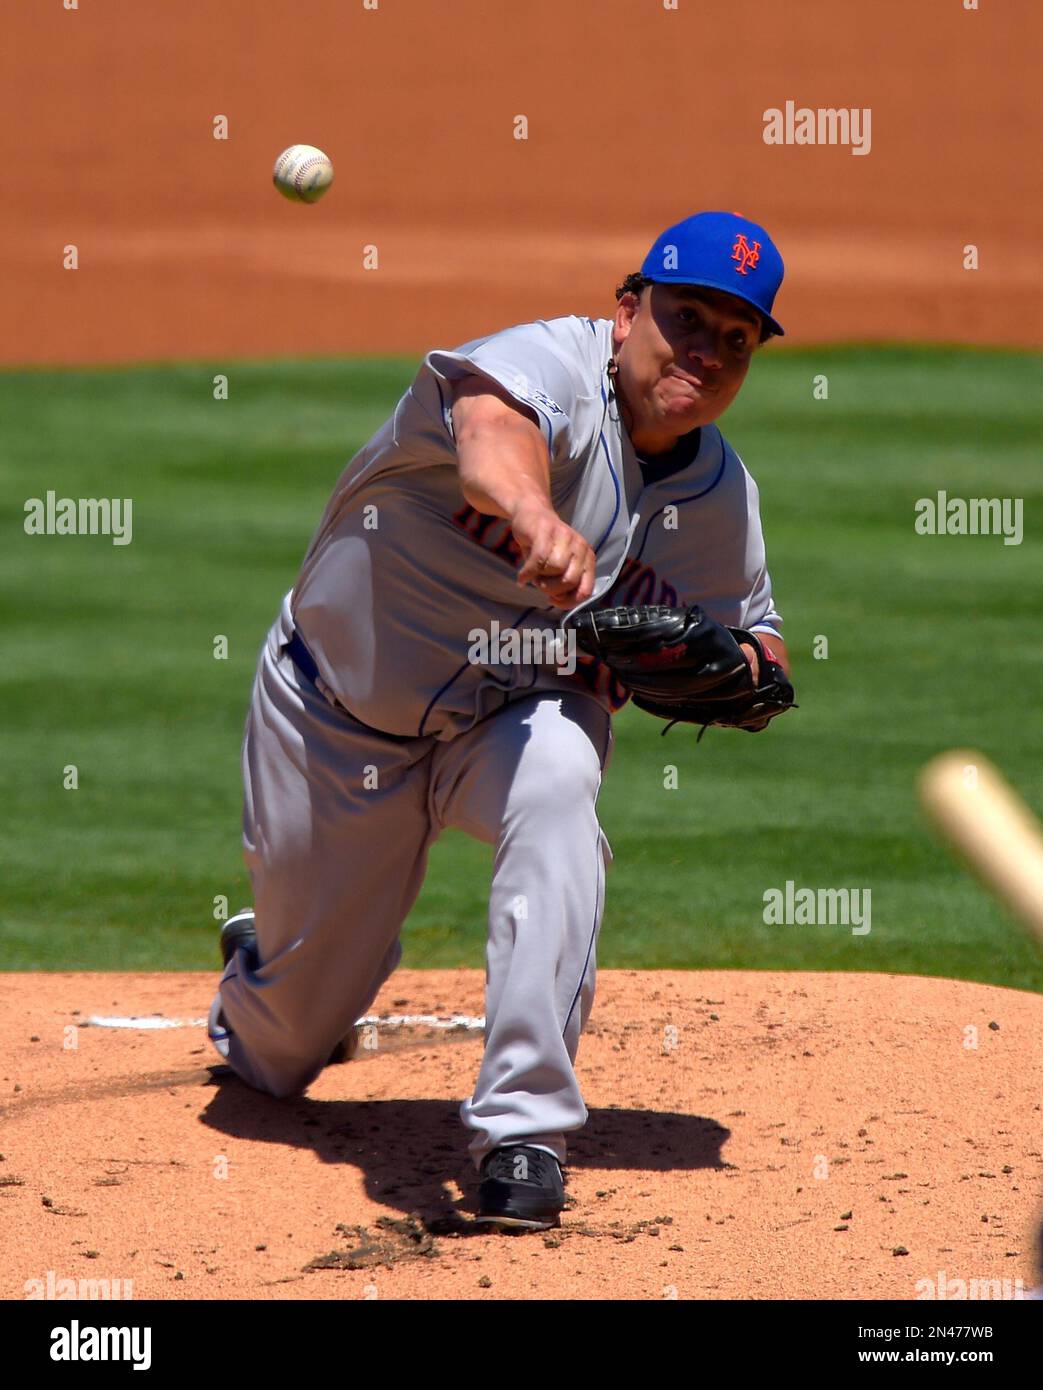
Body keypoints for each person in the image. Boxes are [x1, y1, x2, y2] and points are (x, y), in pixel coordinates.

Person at [208, 210, 792, 1231]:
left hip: (510, 721)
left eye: (733, 338)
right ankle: (278, 958)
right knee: (276, 1056)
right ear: (625, 310)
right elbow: (488, 436)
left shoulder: (718, 493)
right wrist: (534, 516)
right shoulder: (545, 363)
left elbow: (762, 647)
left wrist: (741, 675)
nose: (703, 347)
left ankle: (522, 1129)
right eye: (684, 316)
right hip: (334, 716)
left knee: (564, 773)